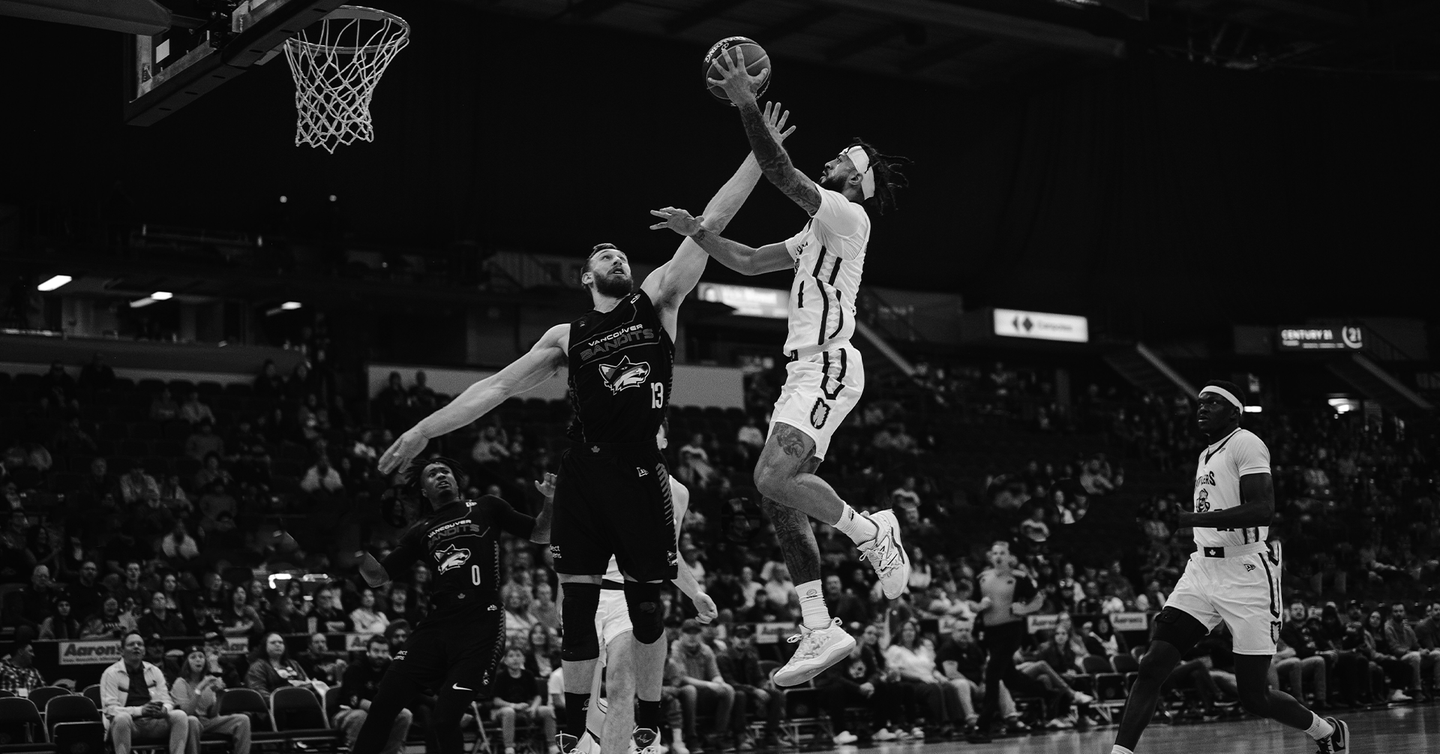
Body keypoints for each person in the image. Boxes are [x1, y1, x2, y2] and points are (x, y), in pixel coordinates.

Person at [378, 150, 767, 754]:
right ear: (585, 278)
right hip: (585, 473)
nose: (616, 257)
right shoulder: (566, 337)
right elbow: (496, 387)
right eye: (602, 256)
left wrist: (758, 154)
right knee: (579, 618)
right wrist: (427, 428)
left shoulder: (657, 299)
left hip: (640, 469)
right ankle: (574, 732)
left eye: (620, 253)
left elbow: (712, 220)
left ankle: (643, 717)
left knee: (646, 610)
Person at [649, 55, 914, 687]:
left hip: (827, 367)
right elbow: (744, 259)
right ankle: (819, 624)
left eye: (843, 160)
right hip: (803, 375)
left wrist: (745, 102)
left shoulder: (850, 217)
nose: (831, 162)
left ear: (859, 178)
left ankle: (869, 527)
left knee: (770, 478)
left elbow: (779, 170)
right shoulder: (813, 233)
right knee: (781, 503)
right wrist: (698, 235)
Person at [1109, 381, 1348, 754]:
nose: (1202, 408)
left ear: (1234, 411)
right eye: (1200, 403)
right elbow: (1215, 512)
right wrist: (1193, 528)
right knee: (1152, 664)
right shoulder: (1206, 454)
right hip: (1202, 571)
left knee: (1254, 696)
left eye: (1213, 403)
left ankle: (1325, 731)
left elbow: (1262, 509)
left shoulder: (1246, 443)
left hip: (1247, 573)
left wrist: (1190, 519)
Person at [349, 460, 554, 754]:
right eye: (432, 474)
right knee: (382, 705)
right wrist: (358, 551)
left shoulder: (485, 506)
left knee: (444, 720)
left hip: (481, 623)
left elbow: (540, 533)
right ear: (423, 489)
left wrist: (549, 500)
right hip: (438, 623)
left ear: (457, 482)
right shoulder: (421, 529)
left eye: (445, 471)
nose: (441, 475)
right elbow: (378, 577)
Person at [571, 422, 717, 754]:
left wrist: (694, 591)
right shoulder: (598, 476)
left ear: (664, 441)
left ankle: (638, 743)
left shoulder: (677, 493)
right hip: (590, 593)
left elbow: (669, 553)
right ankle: (640, 744)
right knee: (589, 712)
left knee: (621, 687)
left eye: (653, 431)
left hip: (632, 596)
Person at [100, 633, 192, 754]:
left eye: (140, 644)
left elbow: (168, 701)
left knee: (180, 715)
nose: (136, 647)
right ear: (121, 651)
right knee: (122, 718)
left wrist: (164, 709)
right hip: (129, 725)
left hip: (154, 722)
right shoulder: (111, 673)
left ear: (144, 651)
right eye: (131, 644)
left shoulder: (154, 671)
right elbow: (110, 710)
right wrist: (140, 710)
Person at [333, 636, 412, 754]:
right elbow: (356, 700)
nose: (380, 655)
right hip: (346, 712)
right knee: (361, 716)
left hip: (378, 712)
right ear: (368, 652)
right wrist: (383, 711)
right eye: (376, 651)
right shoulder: (355, 668)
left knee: (405, 714)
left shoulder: (391, 668)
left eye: (384, 651)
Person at [170, 646, 252, 754]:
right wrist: (200, 688)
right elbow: (186, 712)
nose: (198, 659)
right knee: (192, 720)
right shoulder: (180, 683)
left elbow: (213, 714)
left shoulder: (208, 680)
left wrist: (219, 695)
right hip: (190, 723)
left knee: (243, 719)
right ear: (186, 662)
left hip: (207, 722)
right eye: (193, 657)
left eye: (201, 656)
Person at [491, 644, 558, 754]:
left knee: (547, 710)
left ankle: (552, 746)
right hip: (504, 710)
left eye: (518, 655)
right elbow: (496, 700)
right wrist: (514, 705)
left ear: (523, 659)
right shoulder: (500, 676)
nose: (515, 659)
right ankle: (509, 748)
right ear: (505, 660)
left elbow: (537, 696)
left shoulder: (528, 675)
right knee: (509, 712)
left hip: (526, 709)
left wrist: (533, 707)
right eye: (511, 656)